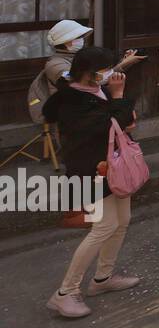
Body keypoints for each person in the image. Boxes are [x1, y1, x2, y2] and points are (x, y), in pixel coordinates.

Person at [43, 46, 143, 319]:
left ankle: (102, 278)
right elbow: (108, 125)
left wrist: (120, 109)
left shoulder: (92, 89)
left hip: (114, 166)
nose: (110, 75)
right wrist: (120, 98)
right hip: (90, 170)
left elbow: (117, 120)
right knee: (104, 226)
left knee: (122, 221)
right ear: (89, 73)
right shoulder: (71, 101)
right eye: (105, 70)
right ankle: (64, 293)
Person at [37, 21, 142, 228]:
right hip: (77, 120)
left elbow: (93, 79)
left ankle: (83, 207)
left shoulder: (75, 60)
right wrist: (118, 76)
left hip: (88, 120)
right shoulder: (56, 64)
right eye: (77, 38)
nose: (80, 41)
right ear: (65, 42)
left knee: (84, 165)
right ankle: (76, 210)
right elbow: (82, 82)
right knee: (78, 164)